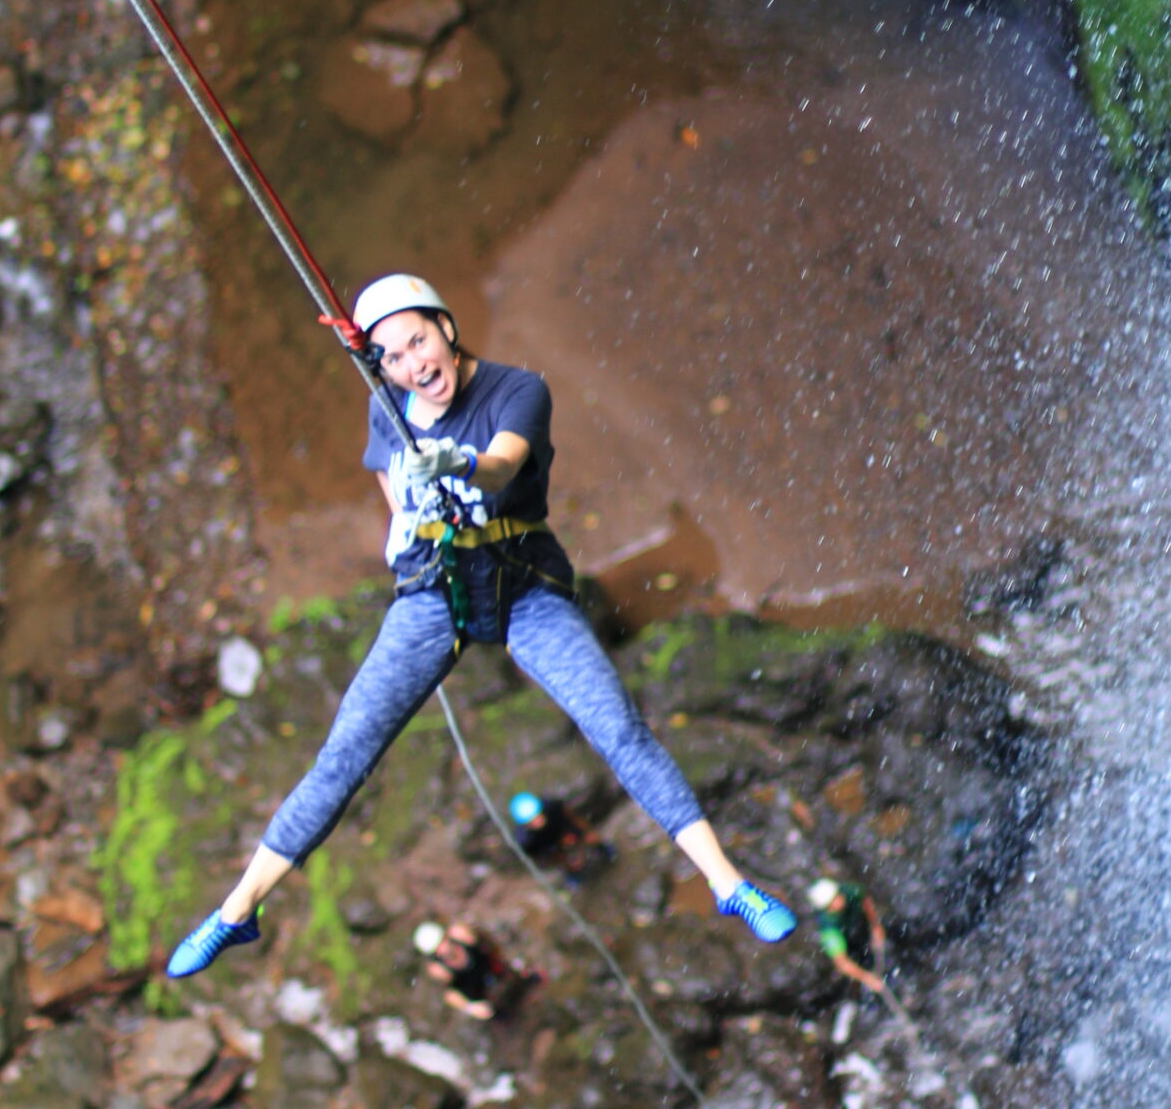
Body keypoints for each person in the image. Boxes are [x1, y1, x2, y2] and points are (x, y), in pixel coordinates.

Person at [166, 273, 798, 976]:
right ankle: (238, 911)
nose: (414, 365)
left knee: (617, 728)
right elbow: (391, 489)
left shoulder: (516, 390)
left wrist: (454, 463)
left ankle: (727, 884)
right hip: (434, 593)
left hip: (522, 587)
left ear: (446, 327)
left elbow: (500, 466)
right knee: (345, 753)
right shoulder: (385, 404)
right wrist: (415, 510)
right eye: (393, 357)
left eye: (419, 342)